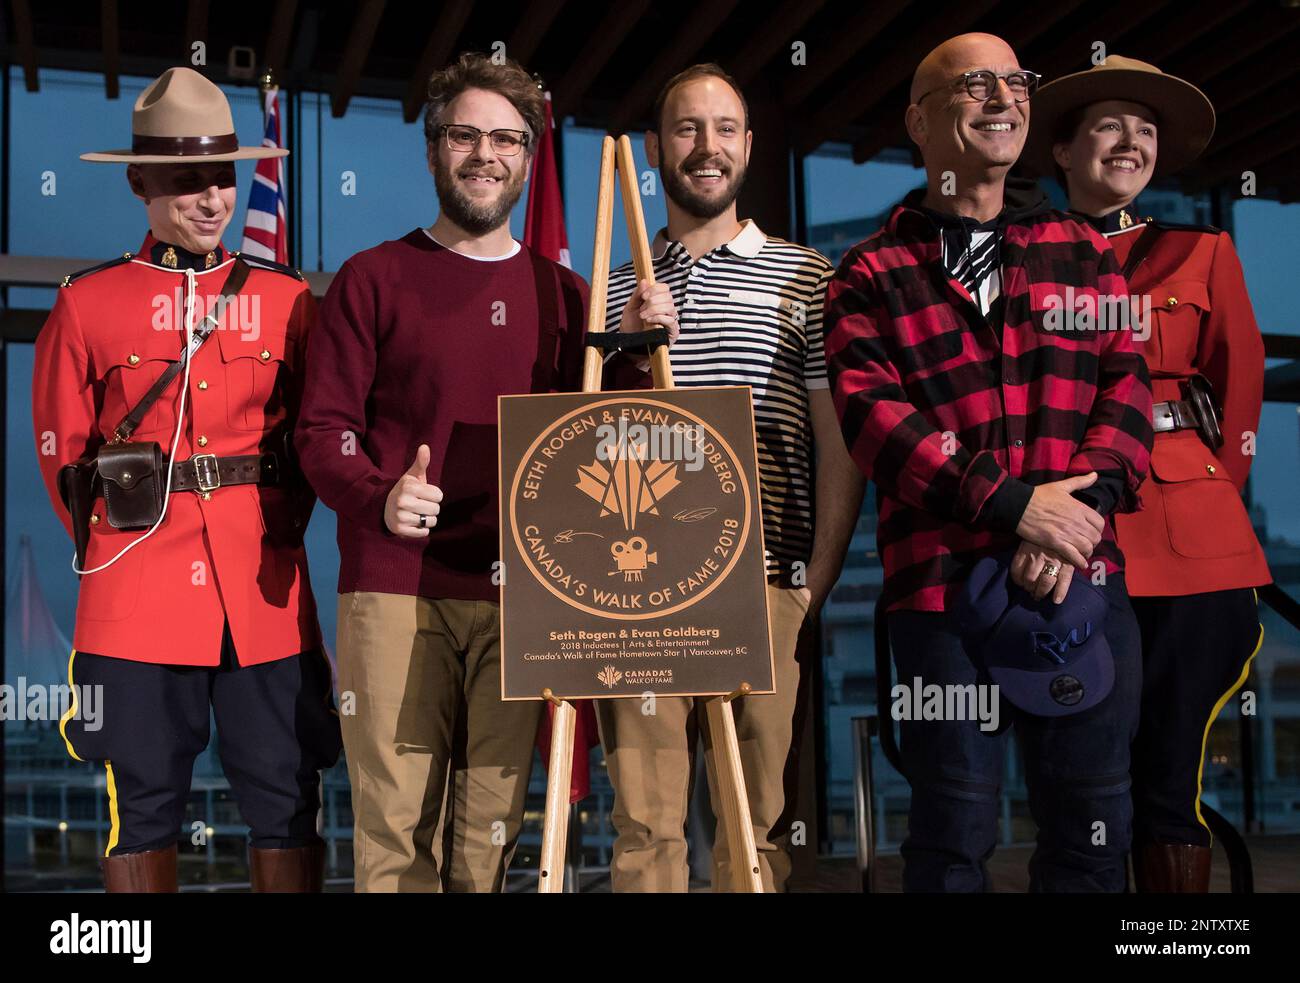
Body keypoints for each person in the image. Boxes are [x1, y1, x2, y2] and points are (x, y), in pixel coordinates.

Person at [294, 52, 666, 892]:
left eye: (506, 139)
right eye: (465, 134)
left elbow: (602, 439)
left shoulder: (569, 295)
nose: (485, 154)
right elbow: (322, 432)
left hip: (522, 592)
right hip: (395, 585)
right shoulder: (371, 278)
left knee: (487, 837)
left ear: (529, 158)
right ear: (433, 150)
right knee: (394, 837)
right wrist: (377, 495)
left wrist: (640, 354)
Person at [823, 34, 1155, 892]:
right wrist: (1016, 507)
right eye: (975, 83)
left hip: (1084, 576)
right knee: (951, 826)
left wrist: (1071, 517)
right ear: (919, 122)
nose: (1002, 96)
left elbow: (1126, 386)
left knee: (1094, 824)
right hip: (939, 592)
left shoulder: (1083, 254)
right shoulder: (870, 271)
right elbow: (876, 424)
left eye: (1015, 80)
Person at [34, 67, 341, 892]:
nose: (212, 198)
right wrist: (128, 537)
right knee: (141, 807)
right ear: (139, 181)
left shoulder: (285, 301)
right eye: (185, 179)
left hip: (263, 591)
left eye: (223, 176)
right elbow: (64, 459)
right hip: (135, 590)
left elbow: (312, 442)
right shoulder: (87, 304)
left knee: (287, 797)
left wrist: (271, 524)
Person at [600, 63, 864, 892]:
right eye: (686, 129)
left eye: (723, 129)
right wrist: (631, 350)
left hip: (764, 579)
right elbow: (588, 446)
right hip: (638, 591)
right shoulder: (611, 286)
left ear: (748, 147)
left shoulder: (809, 277)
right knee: (646, 828)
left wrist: (813, 582)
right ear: (654, 148)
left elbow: (838, 441)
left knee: (757, 828)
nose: (705, 147)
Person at [1023, 55, 1271, 892]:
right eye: (1108, 124)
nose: (1129, 141)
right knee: (1082, 775)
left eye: (1146, 129)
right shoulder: (1019, 258)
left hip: (1190, 540)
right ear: (1061, 149)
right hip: (1066, 531)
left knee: (1171, 779)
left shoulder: (1202, 251)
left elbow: (1238, 397)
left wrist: (1208, 506)